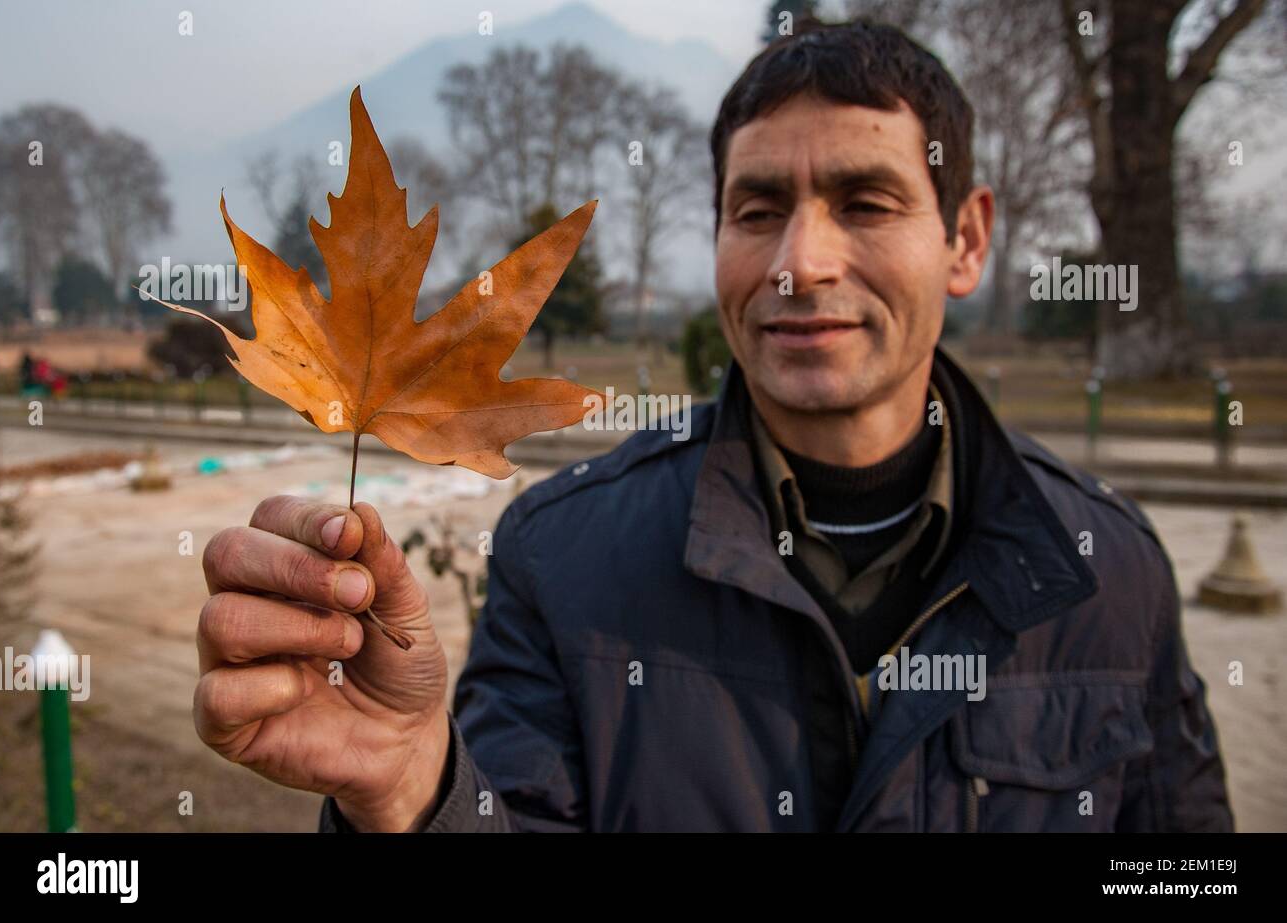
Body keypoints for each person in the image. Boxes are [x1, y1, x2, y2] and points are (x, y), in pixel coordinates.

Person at [192, 20, 1232, 832]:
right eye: (758, 210)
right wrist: (412, 785)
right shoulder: (562, 557)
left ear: (966, 239)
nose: (799, 263)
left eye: (865, 203)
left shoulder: (1106, 571)